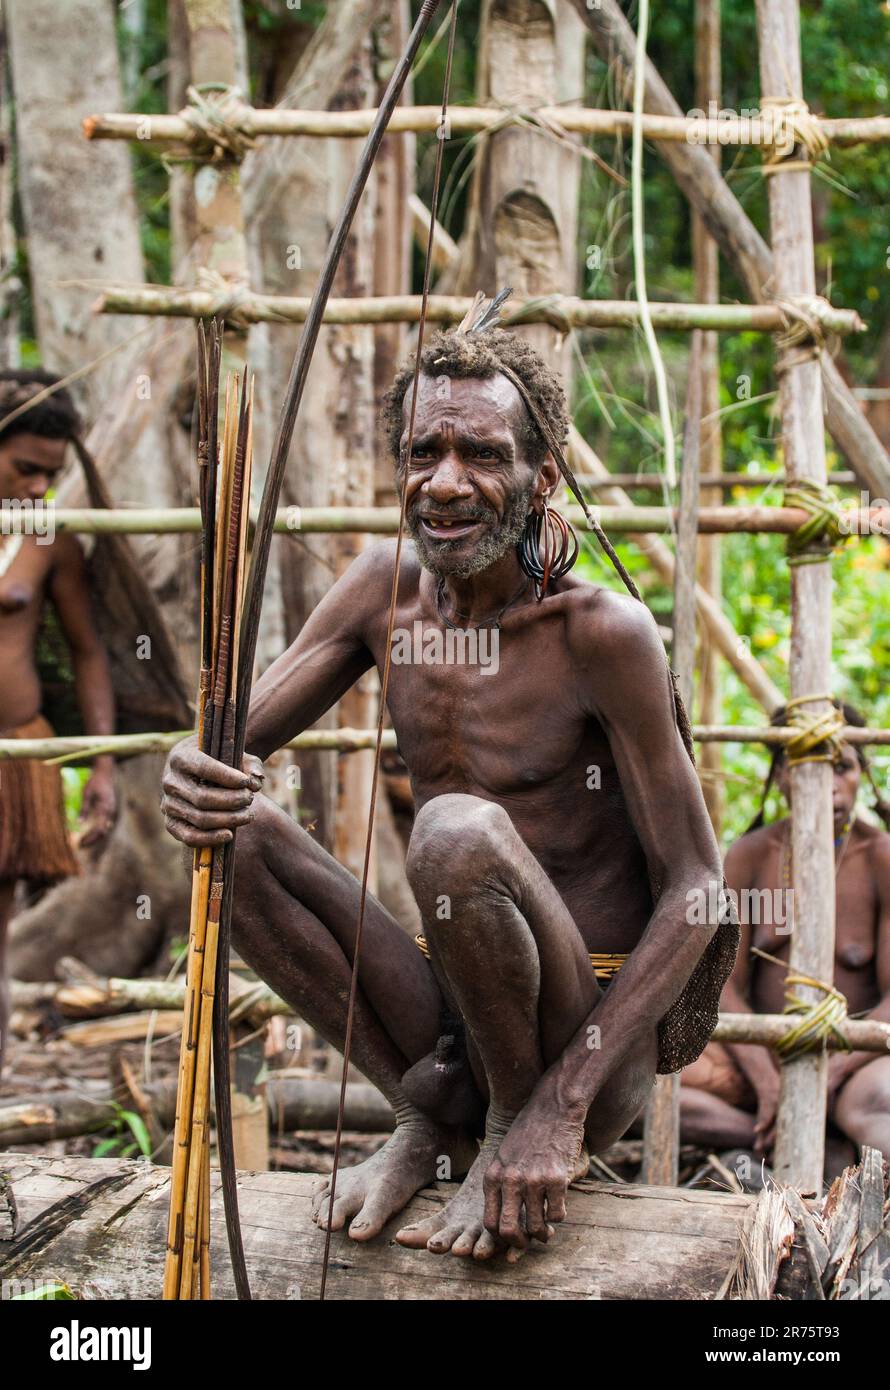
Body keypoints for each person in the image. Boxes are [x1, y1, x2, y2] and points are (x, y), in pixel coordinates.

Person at [161, 328, 737, 1260]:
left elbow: (700, 887)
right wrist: (189, 774)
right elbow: (225, 753)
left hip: (582, 1035)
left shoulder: (601, 633)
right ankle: (426, 1118)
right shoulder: (380, 593)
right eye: (424, 452)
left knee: (454, 834)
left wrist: (558, 1108)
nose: (446, 483)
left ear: (543, 477)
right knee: (239, 832)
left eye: (484, 455)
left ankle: (510, 1131)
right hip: (452, 1017)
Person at [681, 703, 890, 1166]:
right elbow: (720, 986)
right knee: (653, 1082)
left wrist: (831, 1073)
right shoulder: (751, 856)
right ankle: (780, 1138)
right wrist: (769, 1083)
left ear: (860, 775)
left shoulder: (881, 858)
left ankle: (819, 1136)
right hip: (757, 1062)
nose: (829, 785)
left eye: (842, 767)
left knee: (880, 1102)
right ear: (779, 777)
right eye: (805, 767)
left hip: (854, 1066)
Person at [0, 371, 117, 1074]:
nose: (40, 487)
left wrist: (101, 762)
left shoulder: (50, 541)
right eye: (24, 468)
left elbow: (88, 654)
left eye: (53, 473)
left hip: (16, 749)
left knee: (1, 919)